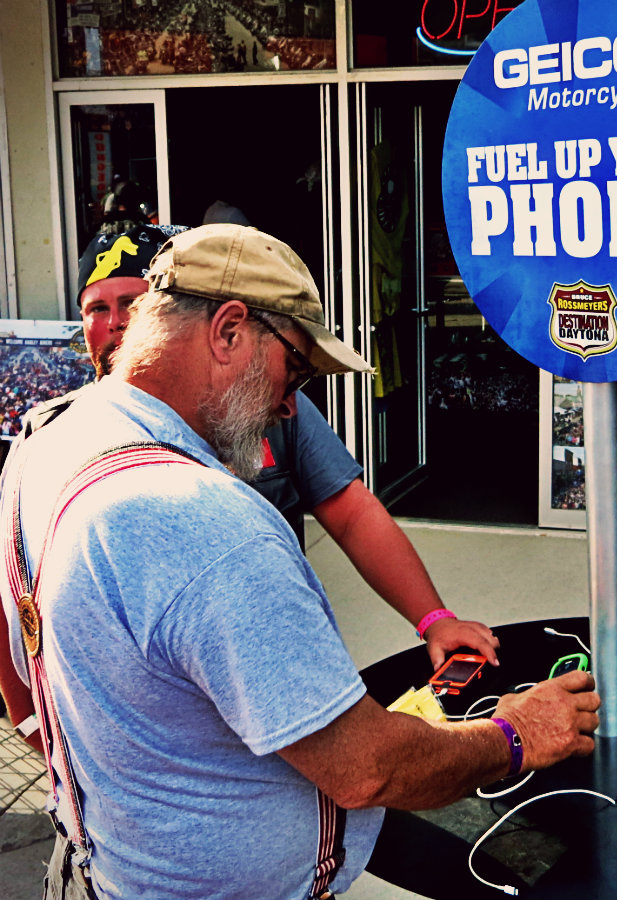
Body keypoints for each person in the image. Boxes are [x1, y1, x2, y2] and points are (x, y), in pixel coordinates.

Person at [0, 224, 601, 900]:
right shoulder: (203, 521)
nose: (290, 403)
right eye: (296, 367)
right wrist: (515, 735)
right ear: (228, 330)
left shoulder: (47, 438)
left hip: (98, 871)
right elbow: (364, 769)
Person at [17, 222, 499, 674]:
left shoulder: (263, 400)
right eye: (97, 308)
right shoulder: (49, 440)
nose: (118, 323)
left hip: (275, 675)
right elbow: (19, 597)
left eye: (132, 304)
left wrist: (433, 617)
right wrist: (33, 725)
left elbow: (352, 512)